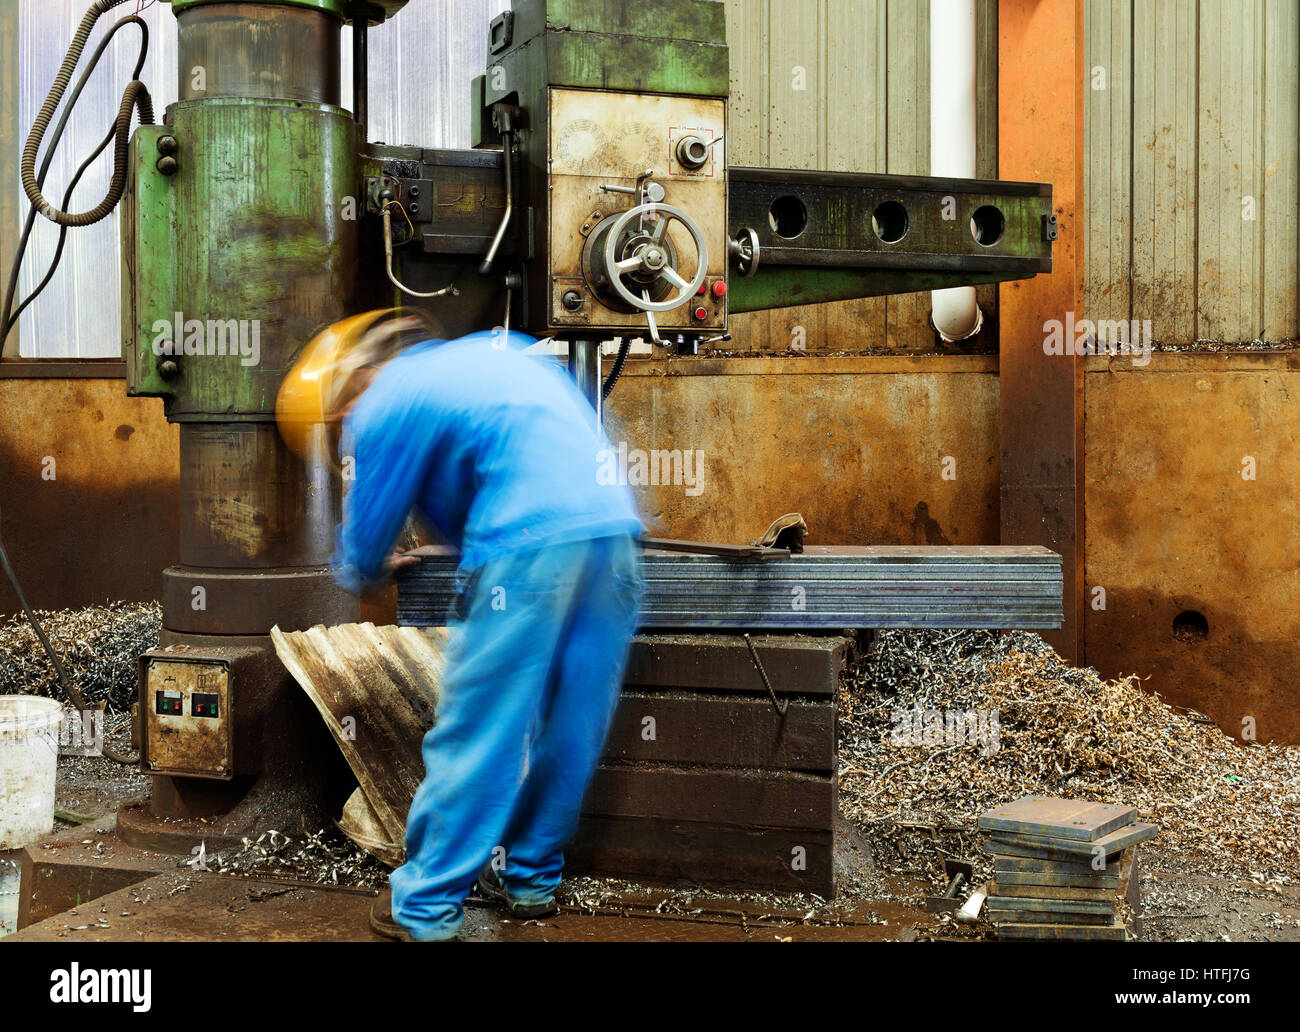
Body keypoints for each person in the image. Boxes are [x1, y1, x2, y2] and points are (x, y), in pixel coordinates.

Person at [295, 314, 644, 942]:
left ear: (353, 383)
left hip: (528, 555)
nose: (346, 428)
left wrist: (363, 563)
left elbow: (370, 539)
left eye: (339, 418)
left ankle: (424, 904)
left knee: (482, 726)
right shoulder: (497, 353)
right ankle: (532, 877)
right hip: (612, 536)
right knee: (572, 721)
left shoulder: (384, 400)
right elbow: (518, 457)